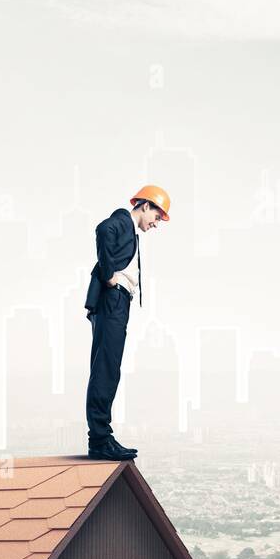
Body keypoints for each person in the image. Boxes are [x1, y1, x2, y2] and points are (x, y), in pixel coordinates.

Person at [83, 185, 170, 461]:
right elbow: (102, 229)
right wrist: (109, 275)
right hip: (112, 299)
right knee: (106, 368)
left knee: (110, 368)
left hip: (118, 302)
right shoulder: (121, 220)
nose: (156, 224)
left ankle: (102, 437)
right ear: (145, 206)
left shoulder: (131, 231)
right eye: (157, 216)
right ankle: (99, 439)